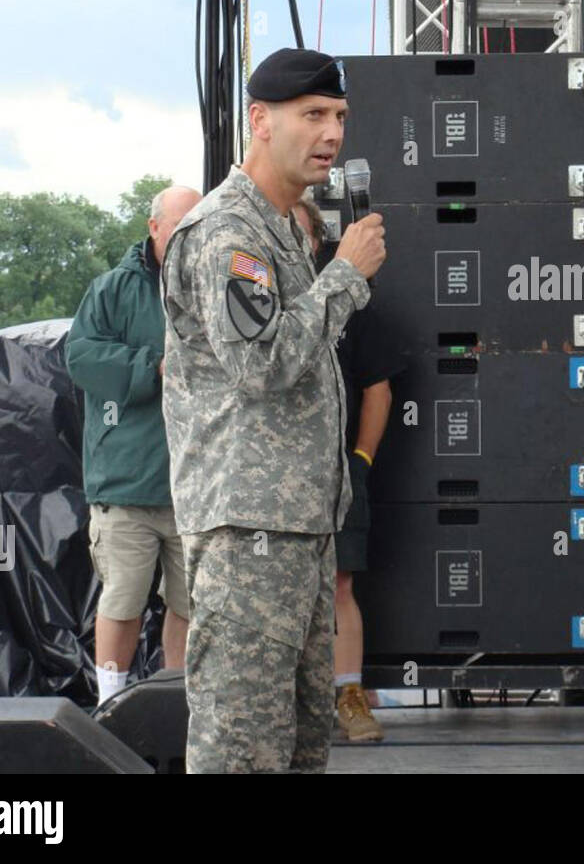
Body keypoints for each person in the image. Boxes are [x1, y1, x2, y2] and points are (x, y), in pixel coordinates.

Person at [160, 48, 386, 773]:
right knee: (242, 749)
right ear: (259, 121)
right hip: (248, 533)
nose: (332, 134)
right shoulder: (228, 231)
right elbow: (262, 364)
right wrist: (345, 275)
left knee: (296, 747)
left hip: (297, 529)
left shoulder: (285, 227)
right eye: (313, 115)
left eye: (340, 117)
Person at [67, 184, 201, 705]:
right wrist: (156, 367)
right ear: (154, 228)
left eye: (198, 225)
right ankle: (108, 704)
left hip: (194, 490)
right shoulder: (110, 289)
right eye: (180, 225)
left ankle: (178, 705)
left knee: (189, 606)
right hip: (125, 489)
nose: (190, 236)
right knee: (121, 602)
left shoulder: (219, 282)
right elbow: (80, 357)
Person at [293, 198, 406, 743]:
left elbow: (378, 387)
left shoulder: (349, 300)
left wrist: (360, 458)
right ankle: (285, 702)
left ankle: (350, 696)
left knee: (339, 585)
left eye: (299, 227)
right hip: (271, 479)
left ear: (319, 240)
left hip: (337, 473)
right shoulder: (255, 291)